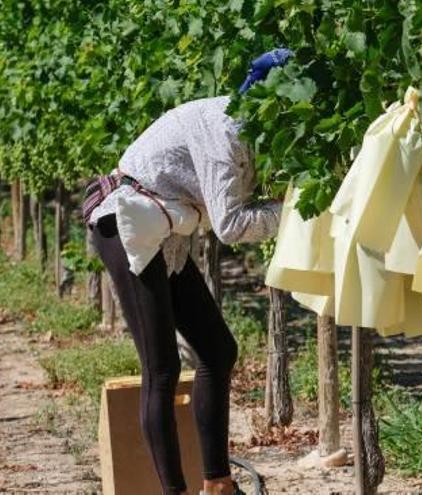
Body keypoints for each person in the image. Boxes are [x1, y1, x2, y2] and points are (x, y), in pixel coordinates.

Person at [83, 49, 292, 495]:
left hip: (163, 232)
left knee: (218, 351)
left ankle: (218, 483)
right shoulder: (227, 132)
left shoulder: (248, 132)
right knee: (161, 367)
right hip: (125, 226)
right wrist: (295, 213)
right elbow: (232, 226)